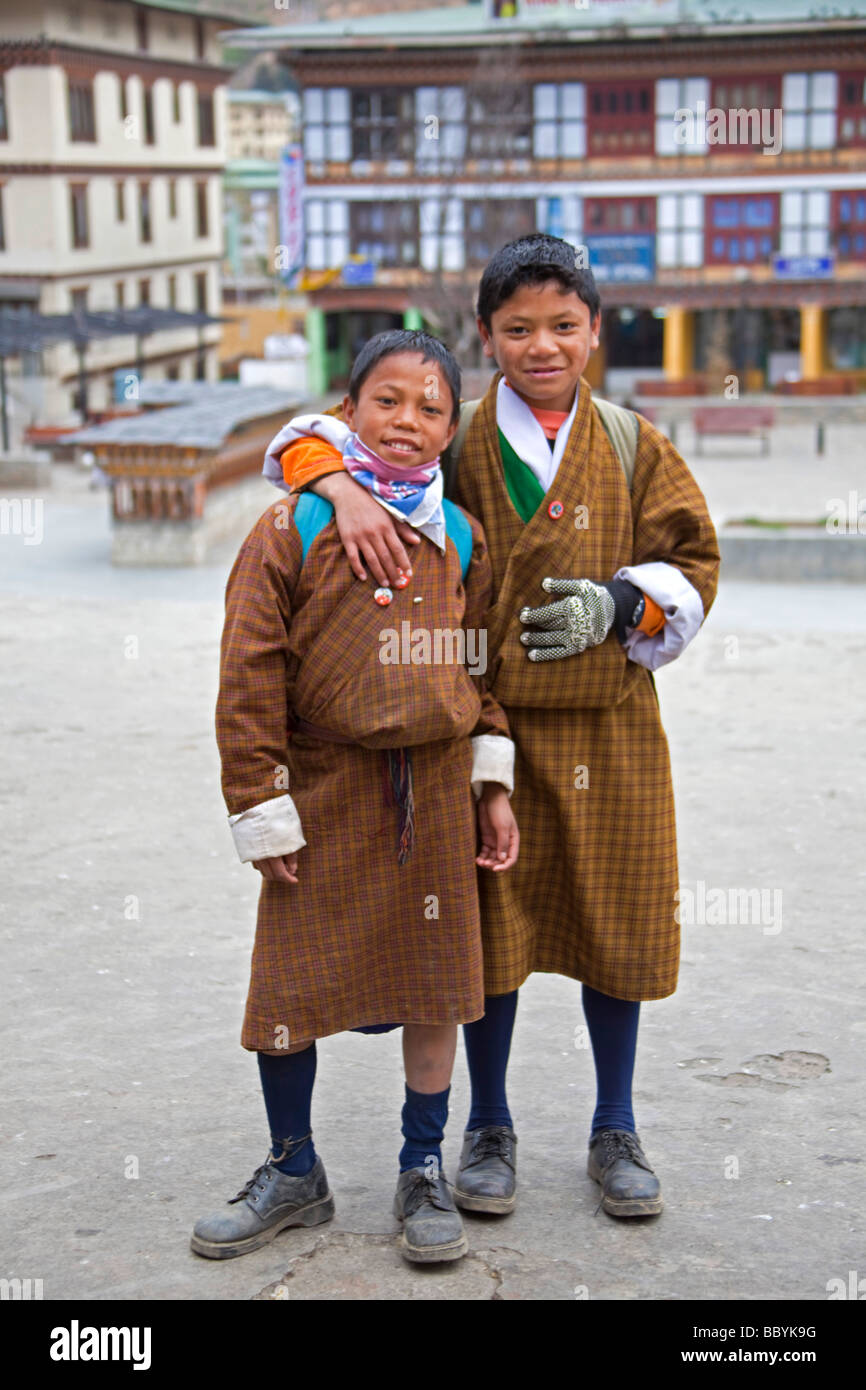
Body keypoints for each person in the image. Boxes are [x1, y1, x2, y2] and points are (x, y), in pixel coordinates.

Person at [278, 235, 721, 1221]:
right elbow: (320, 437)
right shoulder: (452, 435)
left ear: (594, 333)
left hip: (611, 729)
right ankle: (488, 1122)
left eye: (563, 325)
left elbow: (691, 562)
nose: (541, 345)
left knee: (618, 924)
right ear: (483, 337)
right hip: (491, 734)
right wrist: (342, 488)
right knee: (491, 936)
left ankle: (614, 1122)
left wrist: (620, 603)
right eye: (516, 327)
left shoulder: (630, 442)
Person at [191, 330, 519, 1265]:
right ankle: (293, 1169)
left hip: (438, 795)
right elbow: (247, 671)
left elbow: (480, 662)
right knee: (289, 988)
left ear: (451, 428)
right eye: (387, 400)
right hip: (326, 791)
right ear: (346, 411)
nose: (408, 421)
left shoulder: (460, 534)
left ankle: (423, 1168)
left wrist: (492, 786)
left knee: (437, 989)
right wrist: (261, 803)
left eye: (431, 407)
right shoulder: (291, 526)